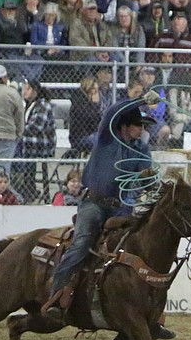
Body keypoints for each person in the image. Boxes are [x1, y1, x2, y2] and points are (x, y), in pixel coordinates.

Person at [43, 100, 162, 327]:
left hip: (121, 207)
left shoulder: (141, 150)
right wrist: (143, 101)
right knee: (81, 243)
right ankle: (56, 296)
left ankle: (147, 311)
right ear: (124, 126)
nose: (142, 130)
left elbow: (147, 180)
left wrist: (156, 185)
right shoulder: (107, 139)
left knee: (140, 245)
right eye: (138, 125)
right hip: (93, 204)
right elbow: (111, 112)